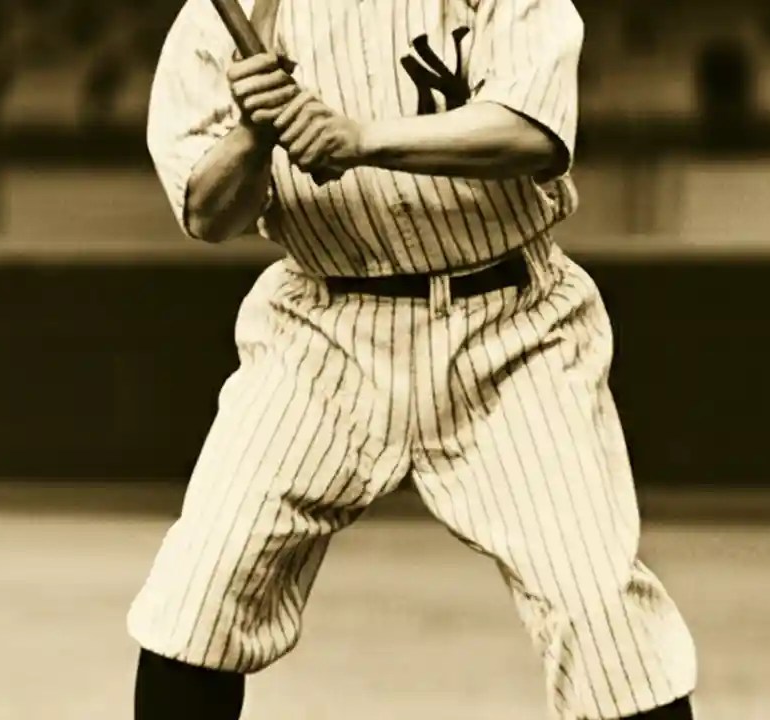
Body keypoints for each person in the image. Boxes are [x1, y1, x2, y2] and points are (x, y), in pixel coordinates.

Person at [128, 1, 698, 718]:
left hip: (509, 327)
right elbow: (211, 217)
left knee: (599, 611)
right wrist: (254, 134)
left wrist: (362, 138)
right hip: (321, 331)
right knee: (200, 596)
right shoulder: (226, 17)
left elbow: (533, 134)